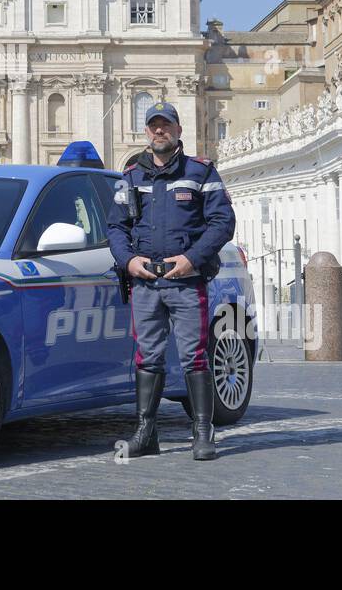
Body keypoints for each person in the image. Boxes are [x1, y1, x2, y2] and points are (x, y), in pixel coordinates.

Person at [107, 101, 236, 460]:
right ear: (146, 132)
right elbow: (115, 227)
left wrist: (191, 258)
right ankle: (146, 433)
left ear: (179, 131)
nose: (159, 131)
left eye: (166, 125)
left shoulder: (200, 173)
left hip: (187, 281)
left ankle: (202, 433)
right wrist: (129, 261)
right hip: (145, 283)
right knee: (147, 358)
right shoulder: (131, 176)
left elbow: (223, 223)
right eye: (153, 126)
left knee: (195, 357)